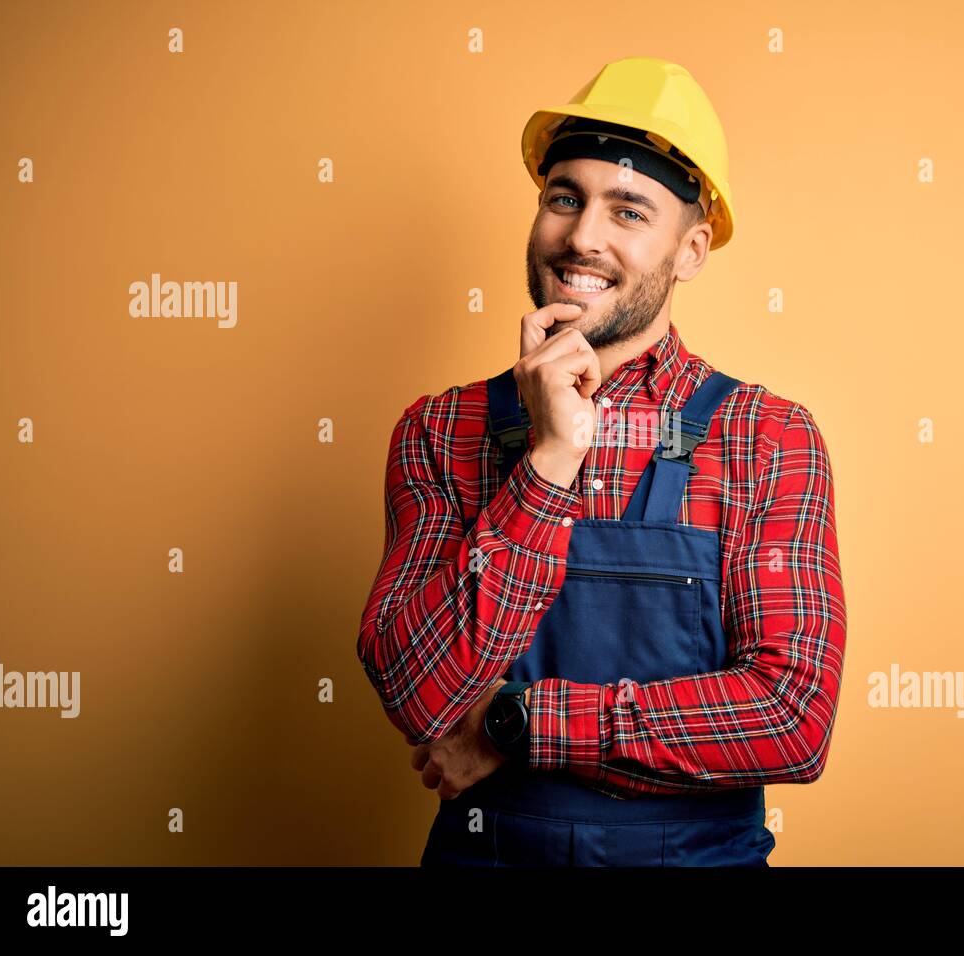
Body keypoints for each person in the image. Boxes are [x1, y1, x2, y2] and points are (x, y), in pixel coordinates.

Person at [357, 56, 847, 866]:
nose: (581, 236)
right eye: (564, 199)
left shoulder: (767, 437)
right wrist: (550, 461)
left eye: (628, 210)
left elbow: (789, 720)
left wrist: (517, 725)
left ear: (690, 250)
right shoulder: (442, 430)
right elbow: (416, 690)